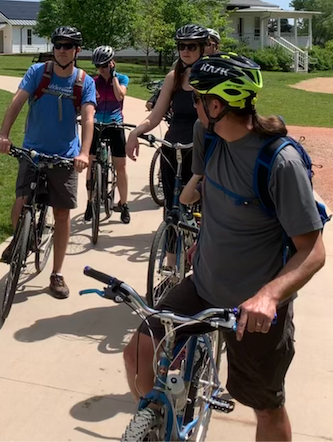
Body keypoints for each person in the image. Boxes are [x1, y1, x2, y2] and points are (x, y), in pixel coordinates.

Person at [123, 53, 326, 441]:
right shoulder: (208, 136)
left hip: (253, 310)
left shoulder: (279, 162)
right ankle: (156, 423)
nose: (191, 102)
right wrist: (202, 239)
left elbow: (313, 251)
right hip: (203, 285)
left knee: (265, 406)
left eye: (196, 96)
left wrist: (268, 297)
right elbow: (211, 195)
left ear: (216, 105)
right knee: (137, 352)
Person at [0, 26, 96, 299]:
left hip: (66, 156)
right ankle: (21, 241)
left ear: (77, 50)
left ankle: (57, 273)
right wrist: (4, 134)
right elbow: (17, 102)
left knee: (62, 214)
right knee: (21, 202)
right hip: (33, 151)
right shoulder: (38, 73)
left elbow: (88, 119)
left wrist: (84, 153)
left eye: (67, 45)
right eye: (57, 44)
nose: (61, 49)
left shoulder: (84, 81)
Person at [126, 24, 208, 212]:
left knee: (200, 209)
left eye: (191, 46)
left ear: (202, 49)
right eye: (182, 46)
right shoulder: (174, 77)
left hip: (201, 150)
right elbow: (155, 116)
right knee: (172, 208)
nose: (185, 50)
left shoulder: (209, 78)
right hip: (172, 149)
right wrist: (135, 132)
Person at [84, 46, 130, 224]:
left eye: (104, 65)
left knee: (121, 166)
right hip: (96, 124)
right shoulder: (92, 81)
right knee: (90, 163)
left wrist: (113, 78)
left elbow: (120, 96)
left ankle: (124, 204)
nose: (101, 69)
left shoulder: (122, 79)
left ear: (112, 64)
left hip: (115, 123)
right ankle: (89, 202)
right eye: (98, 66)